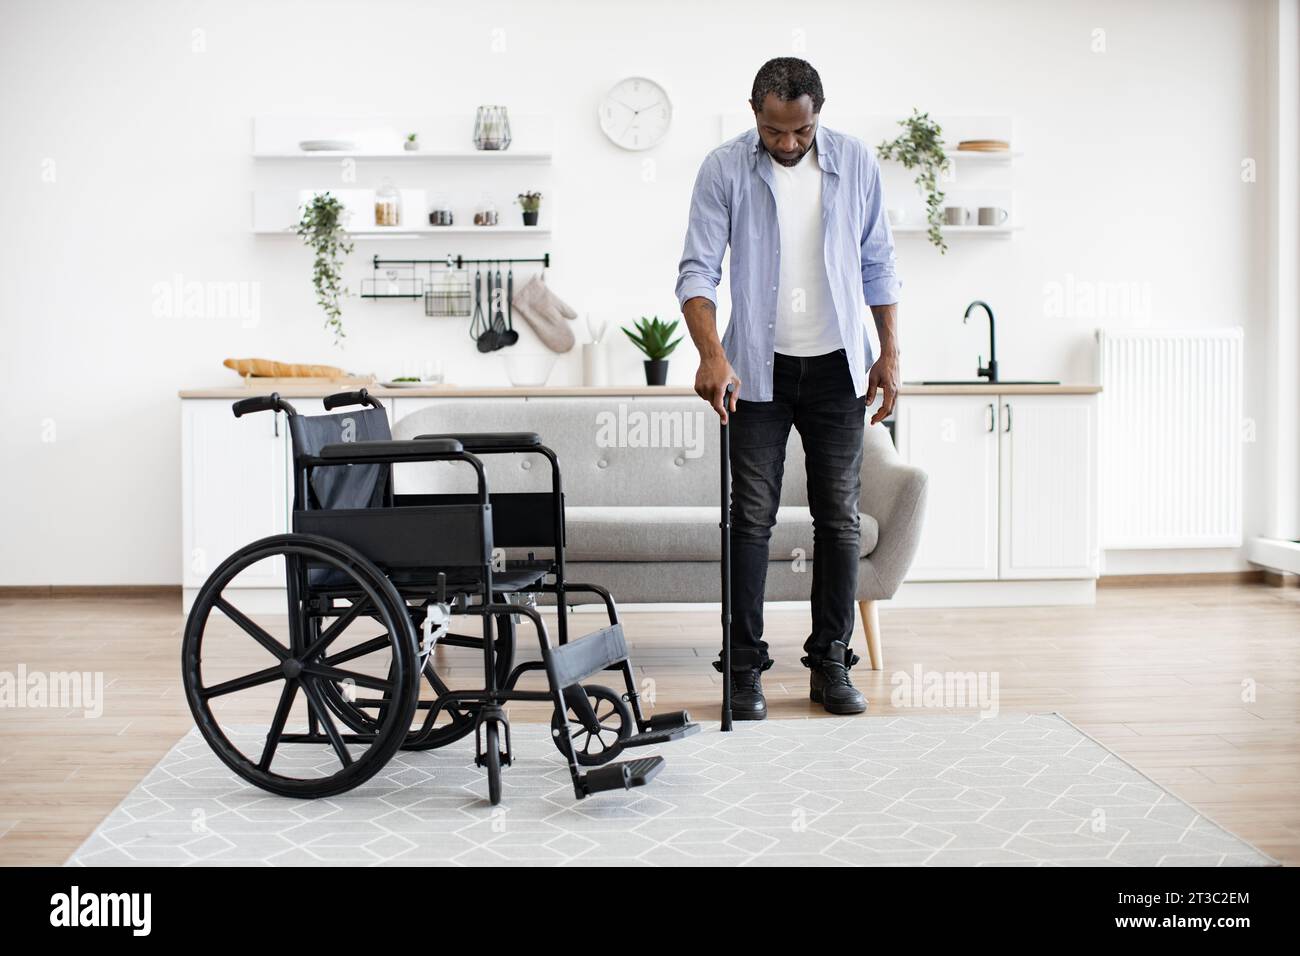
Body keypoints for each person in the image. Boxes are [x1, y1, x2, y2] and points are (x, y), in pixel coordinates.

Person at [675, 57, 901, 719]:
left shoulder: (856, 162)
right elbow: (696, 272)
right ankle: (742, 670)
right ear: (756, 115)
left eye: (801, 130)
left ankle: (830, 663)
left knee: (838, 521)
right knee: (750, 520)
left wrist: (889, 353)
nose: (789, 143)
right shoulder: (723, 169)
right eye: (776, 132)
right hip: (756, 367)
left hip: (838, 369)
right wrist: (711, 356)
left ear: (816, 115)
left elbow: (879, 260)